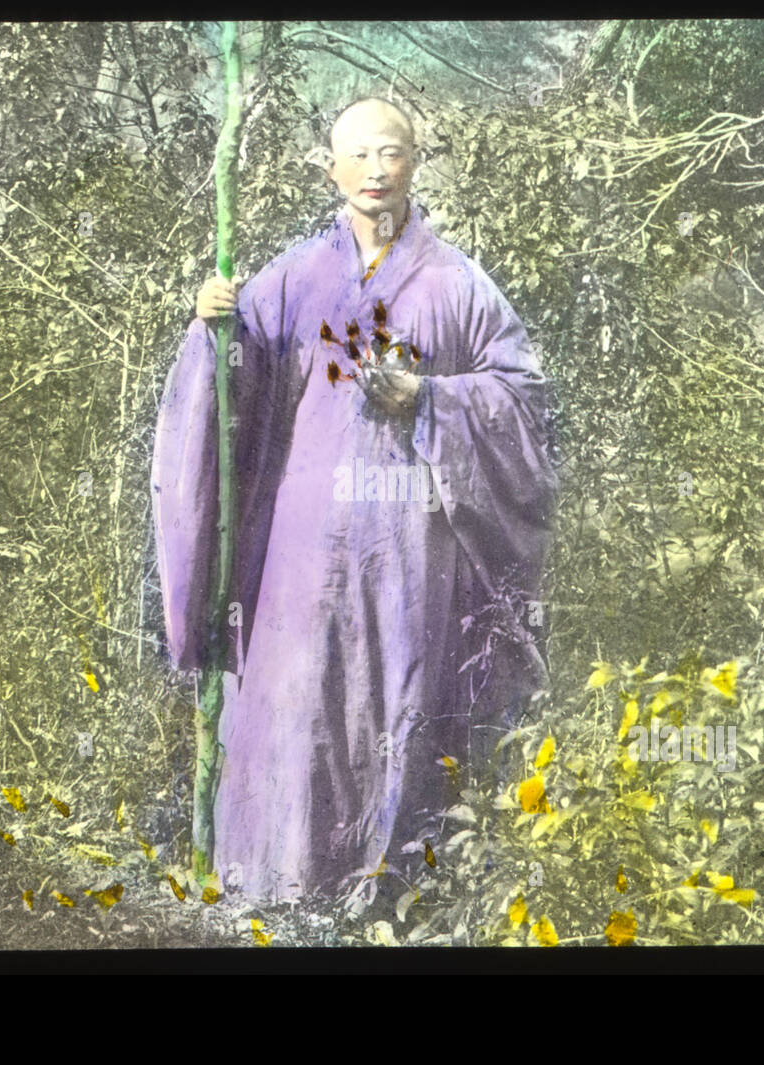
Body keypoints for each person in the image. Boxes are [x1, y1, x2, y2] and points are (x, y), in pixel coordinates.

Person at [151, 97, 557, 906]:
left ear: (416, 162)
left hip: (409, 543)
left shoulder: (457, 283)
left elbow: (523, 399)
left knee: (395, 694)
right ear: (329, 167)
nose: (377, 170)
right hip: (303, 541)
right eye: (359, 154)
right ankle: (272, 879)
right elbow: (238, 387)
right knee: (292, 695)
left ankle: (382, 892)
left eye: (394, 152)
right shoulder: (296, 274)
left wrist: (432, 399)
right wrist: (212, 330)